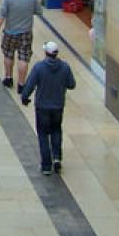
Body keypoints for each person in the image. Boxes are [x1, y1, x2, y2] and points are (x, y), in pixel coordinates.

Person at [21, 41, 76, 174]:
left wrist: (25, 97)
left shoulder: (39, 67)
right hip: (58, 106)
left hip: (42, 107)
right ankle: (57, 158)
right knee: (56, 130)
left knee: (43, 134)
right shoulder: (65, 67)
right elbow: (72, 84)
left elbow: (30, 84)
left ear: (46, 53)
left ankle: (46, 165)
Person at [0, 0, 43, 94]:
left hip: (10, 31)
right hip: (26, 32)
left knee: (8, 55)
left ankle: (8, 78)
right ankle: (21, 83)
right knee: (24, 57)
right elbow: (39, 12)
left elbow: (2, 15)